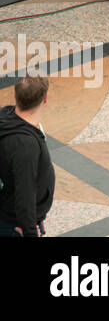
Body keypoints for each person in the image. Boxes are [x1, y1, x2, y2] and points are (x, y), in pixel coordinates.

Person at [0, 75, 55, 237]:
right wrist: (30, 232)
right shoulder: (25, 145)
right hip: (15, 224)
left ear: (15, 96)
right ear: (45, 98)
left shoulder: (6, 115)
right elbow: (25, 193)